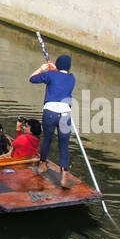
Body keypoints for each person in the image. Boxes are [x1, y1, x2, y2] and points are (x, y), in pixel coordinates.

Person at [30, 53, 76, 188]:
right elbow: (65, 75)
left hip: (50, 112)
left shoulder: (51, 75)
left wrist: (43, 69)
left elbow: (32, 79)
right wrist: (54, 69)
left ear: (57, 65)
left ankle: (42, 165)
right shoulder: (72, 79)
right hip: (65, 113)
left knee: (47, 139)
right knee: (64, 145)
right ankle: (64, 176)